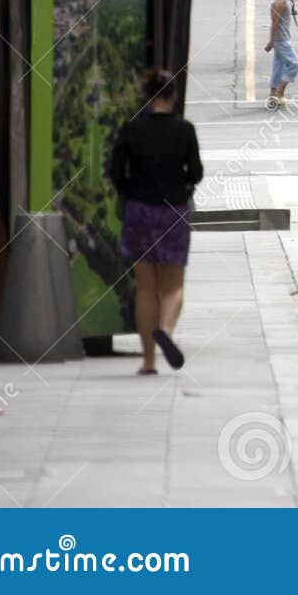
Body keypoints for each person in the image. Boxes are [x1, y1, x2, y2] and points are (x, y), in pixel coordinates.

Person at [108, 70, 202, 376]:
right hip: (172, 211)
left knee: (145, 288)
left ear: (146, 98)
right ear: (173, 96)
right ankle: (166, 330)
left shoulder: (131, 129)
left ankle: (148, 361)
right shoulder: (184, 130)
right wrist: (183, 185)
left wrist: (130, 193)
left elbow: (116, 171)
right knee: (173, 287)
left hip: (139, 212)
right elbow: (196, 172)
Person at [264, 0, 298, 109]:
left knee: (278, 67)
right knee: (295, 64)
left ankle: (273, 95)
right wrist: (271, 42)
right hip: (281, 40)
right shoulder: (281, 2)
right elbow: (274, 23)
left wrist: (292, 10)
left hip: (284, 38)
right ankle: (280, 91)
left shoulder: (285, 0)